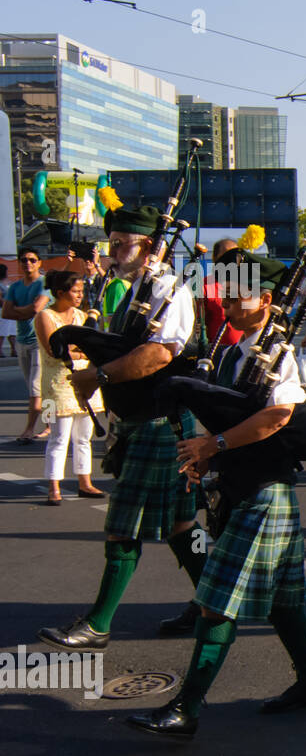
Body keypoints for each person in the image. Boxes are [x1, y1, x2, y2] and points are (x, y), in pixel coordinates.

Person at [126, 251, 306, 739]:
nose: (227, 303)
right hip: (240, 487)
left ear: (265, 300)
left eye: (238, 294)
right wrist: (207, 457)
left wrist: (213, 445)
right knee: (283, 601)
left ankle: (186, 707)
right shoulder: (237, 353)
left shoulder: (284, 354)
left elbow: (278, 417)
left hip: (266, 491)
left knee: (215, 601)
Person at [37, 200, 207, 650]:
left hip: (161, 422)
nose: (112, 253)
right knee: (181, 526)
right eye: (111, 244)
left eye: (120, 244)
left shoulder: (173, 290)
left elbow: (160, 354)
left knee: (123, 527)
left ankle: (98, 624)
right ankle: (215, 603)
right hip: (142, 419)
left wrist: (99, 377)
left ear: (149, 245)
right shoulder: (136, 289)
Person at [33, 269, 105, 504]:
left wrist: (79, 350)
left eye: (81, 291)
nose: (79, 295)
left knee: (84, 436)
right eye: (75, 291)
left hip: (84, 380)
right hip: (55, 385)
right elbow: (55, 350)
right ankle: (54, 486)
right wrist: (81, 350)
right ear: (60, 292)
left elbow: (94, 346)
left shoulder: (83, 316)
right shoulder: (45, 316)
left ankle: (85, 482)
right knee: (58, 437)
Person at [4, 247, 50, 442]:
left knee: (36, 387)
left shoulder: (44, 283)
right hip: (22, 341)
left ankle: (29, 429)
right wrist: (27, 310)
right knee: (42, 389)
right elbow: (6, 313)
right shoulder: (15, 287)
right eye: (24, 260)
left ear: (39, 262)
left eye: (32, 260)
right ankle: (51, 425)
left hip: (40, 341)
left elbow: (37, 308)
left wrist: (20, 310)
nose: (27, 263)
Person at [0, 262, 16, 356]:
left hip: (11, 309)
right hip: (2, 309)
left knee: (12, 331)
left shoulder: (10, 283)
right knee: (2, 331)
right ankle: (0, 351)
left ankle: (14, 350)